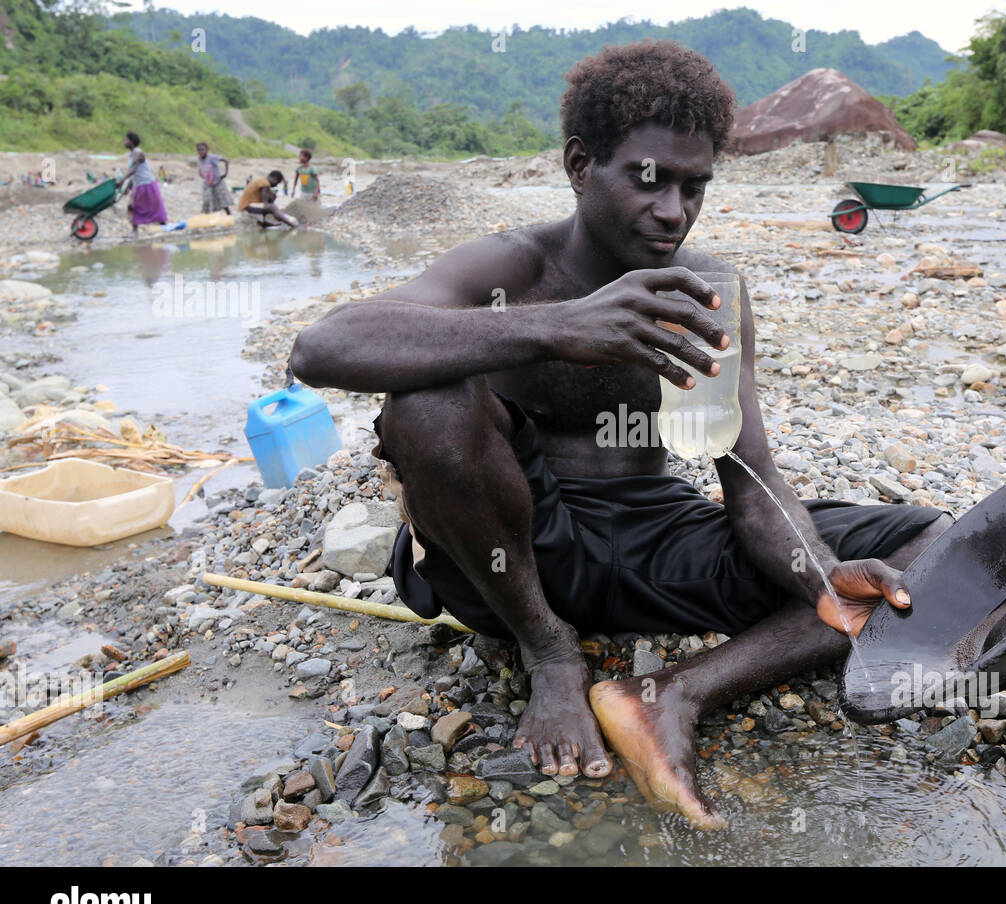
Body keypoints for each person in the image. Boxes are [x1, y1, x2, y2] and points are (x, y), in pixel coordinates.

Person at [289, 40, 952, 830]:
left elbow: (751, 478)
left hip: (652, 540)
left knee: (923, 544)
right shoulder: (512, 269)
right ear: (580, 166)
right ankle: (551, 653)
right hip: (510, 558)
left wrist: (817, 572)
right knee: (426, 400)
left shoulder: (706, 294)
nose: (673, 209)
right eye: (649, 179)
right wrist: (558, 328)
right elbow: (323, 347)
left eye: (693, 186)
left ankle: (677, 692)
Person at [117, 132, 167, 236]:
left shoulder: (137, 152)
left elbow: (134, 169)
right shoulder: (131, 154)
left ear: (131, 142)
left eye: (126, 140)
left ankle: (163, 226)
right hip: (139, 185)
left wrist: (122, 180)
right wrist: (128, 186)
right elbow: (133, 172)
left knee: (154, 206)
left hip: (147, 184)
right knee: (133, 207)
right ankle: (135, 230)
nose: (124, 142)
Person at [196, 142, 234, 215]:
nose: (200, 151)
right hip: (208, 183)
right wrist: (200, 173)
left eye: (202, 149)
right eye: (199, 150)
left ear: (206, 150)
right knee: (206, 200)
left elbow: (225, 160)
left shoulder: (212, 157)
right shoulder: (199, 159)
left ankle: (229, 215)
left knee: (222, 200)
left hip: (217, 182)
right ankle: (207, 217)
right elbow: (200, 167)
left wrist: (225, 173)